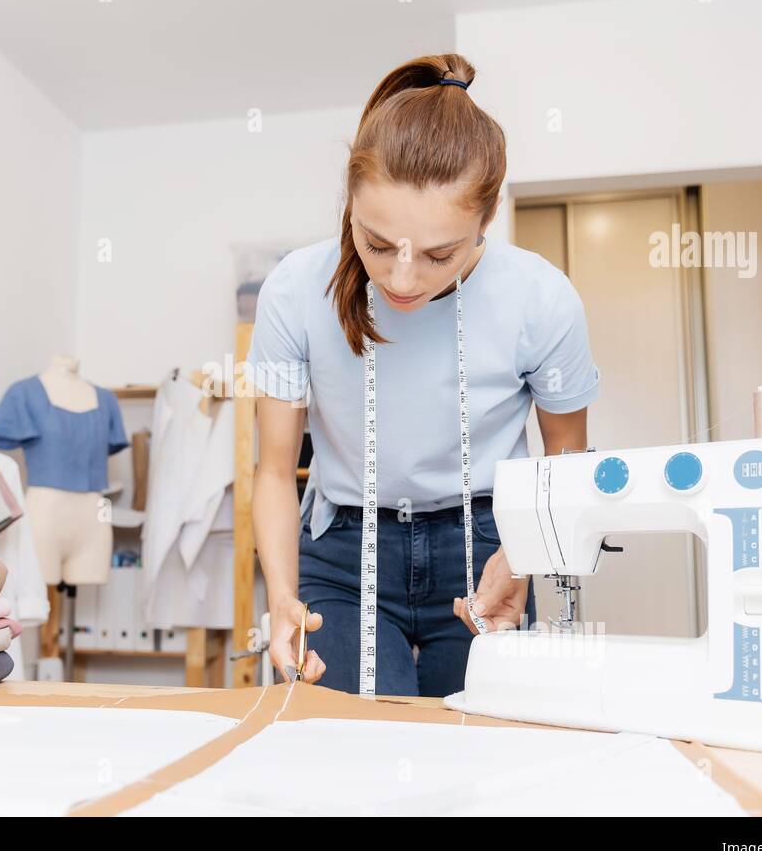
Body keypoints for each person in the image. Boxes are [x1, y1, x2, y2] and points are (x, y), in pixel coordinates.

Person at [248, 53, 601, 697]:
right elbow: (273, 470)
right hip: (344, 549)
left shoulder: (541, 299)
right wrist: (280, 597)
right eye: (377, 244)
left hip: (487, 543)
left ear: (486, 221)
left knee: (470, 757)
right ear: (350, 204)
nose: (402, 280)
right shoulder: (296, 290)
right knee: (352, 756)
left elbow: (567, 457)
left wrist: (521, 556)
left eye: (440, 254)